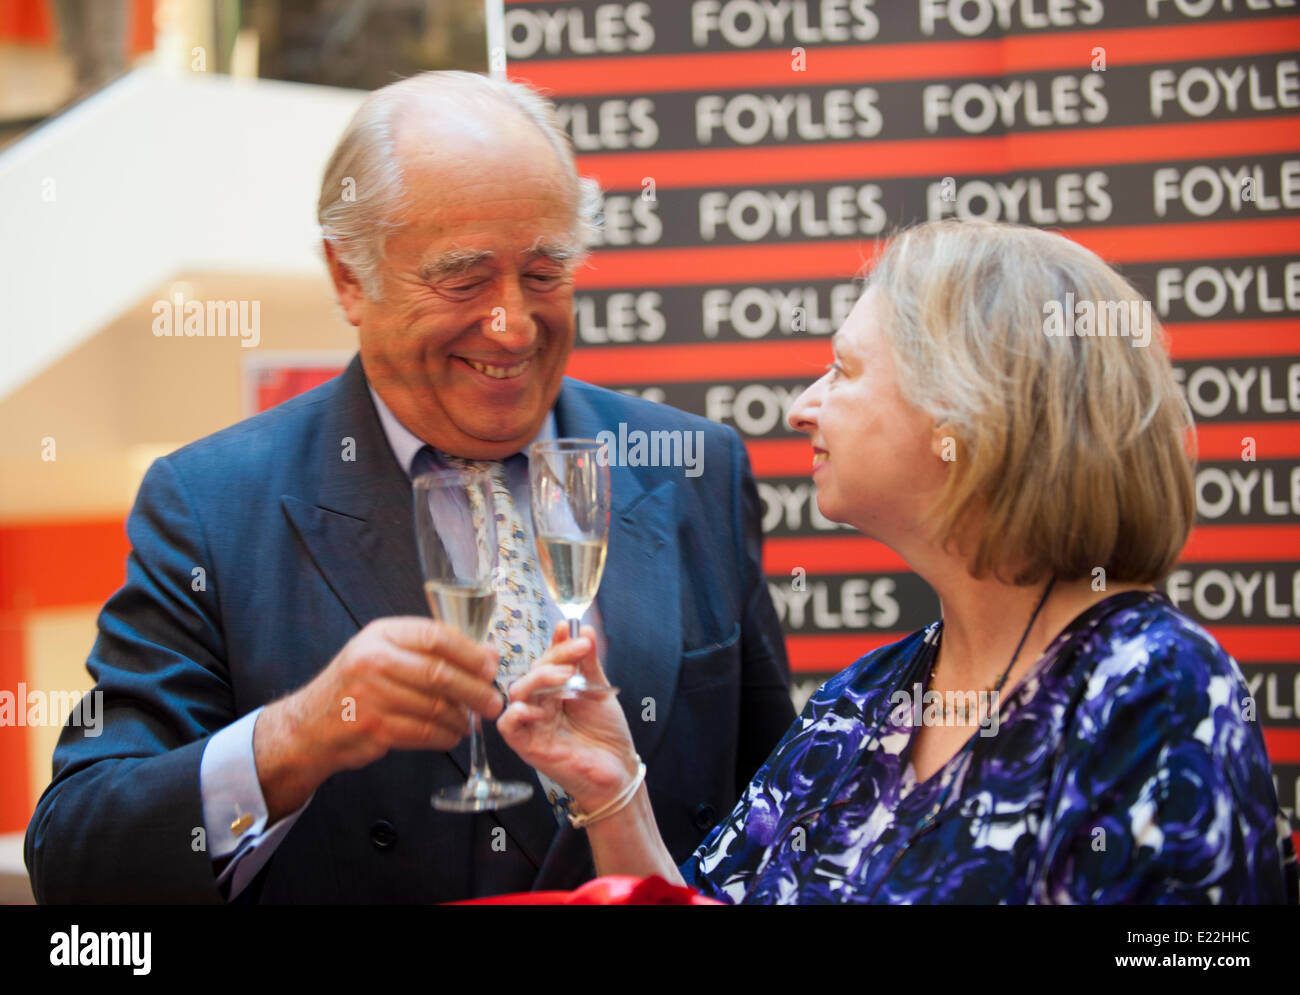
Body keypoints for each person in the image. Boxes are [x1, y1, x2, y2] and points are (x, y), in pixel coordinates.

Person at [24, 71, 794, 903]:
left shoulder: (694, 467)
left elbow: (783, 813)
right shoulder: (212, 505)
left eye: (543, 273)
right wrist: (294, 736)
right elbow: (79, 854)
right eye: (464, 279)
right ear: (348, 278)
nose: (512, 323)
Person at [500, 219, 1300, 904]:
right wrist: (614, 790)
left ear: (970, 410)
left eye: (842, 371)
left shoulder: (1152, 690)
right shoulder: (864, 699)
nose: (801, 407)